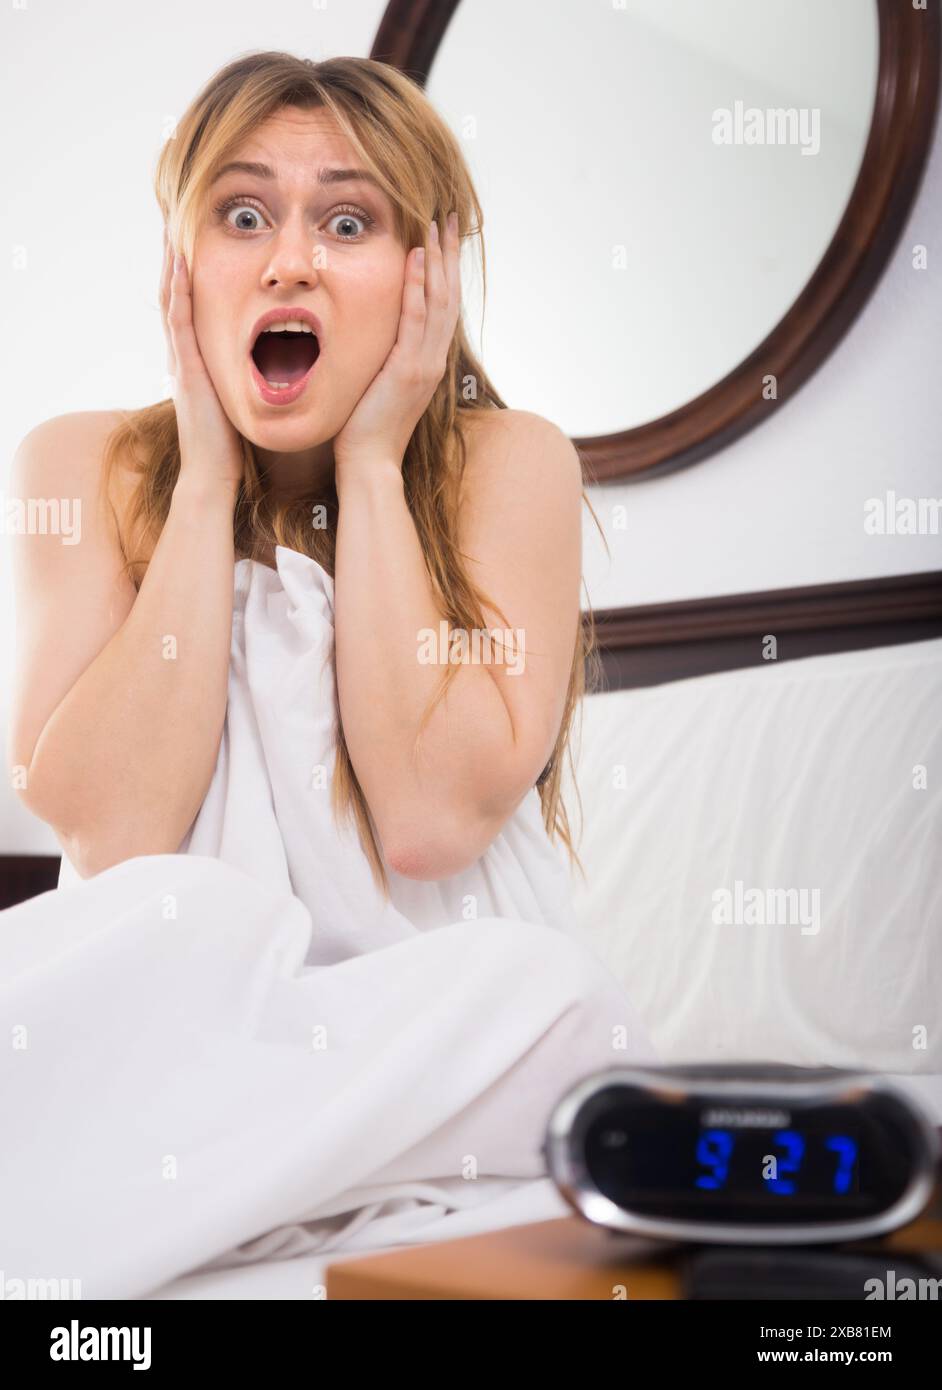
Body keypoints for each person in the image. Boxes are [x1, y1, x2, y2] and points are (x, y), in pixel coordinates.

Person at [1, 52, 657, 1297]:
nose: (288, 260)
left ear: (429, 272)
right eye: (242, 215)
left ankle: (186, 1191)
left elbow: (425, 820)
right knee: (188, 915)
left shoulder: (509, 464)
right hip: (175, 1019)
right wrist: (202, 481)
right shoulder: (78, 464)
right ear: (183, 265)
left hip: (431, 1035)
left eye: (347, 222)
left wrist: (371, 466)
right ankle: (237, 1181)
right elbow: (124, 835)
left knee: (556, 994)